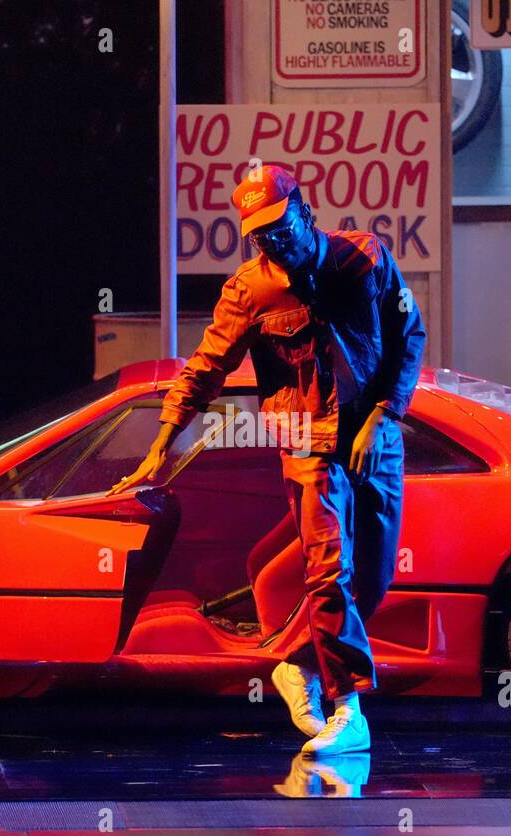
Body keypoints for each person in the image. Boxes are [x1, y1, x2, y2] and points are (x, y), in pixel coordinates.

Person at [108, 164, 425, 756]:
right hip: (306, 440)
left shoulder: (364, 258)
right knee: (328, 570)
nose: (273, 241)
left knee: (374, 577)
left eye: (280, 226)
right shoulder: (248, 291)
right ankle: (348, 709)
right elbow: (203, 369)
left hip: (375, 435)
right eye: (259, 233)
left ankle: (297, 662)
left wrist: (386, 414)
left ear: (304, 210)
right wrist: (162, 443)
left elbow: (409, 334)